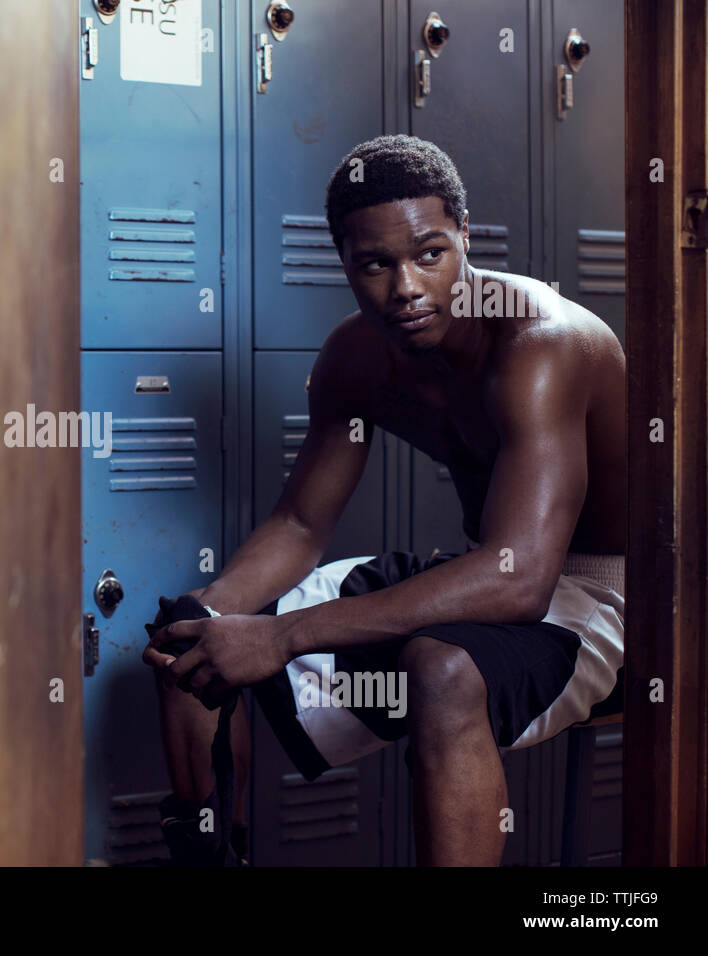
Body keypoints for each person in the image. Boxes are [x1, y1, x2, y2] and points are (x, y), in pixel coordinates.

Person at [143, 134, 627, 867]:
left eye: (430, 254)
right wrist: (217, 616)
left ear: (466, 238)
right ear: (344, 261)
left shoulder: (541, 342)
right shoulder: (357, 359)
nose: (406, 288)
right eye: (375, 264)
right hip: (485, 573)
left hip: (606, 595)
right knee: (188, 634)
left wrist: (280, 637)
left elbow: (522, 579)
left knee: (442, 669)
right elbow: (301, 523)